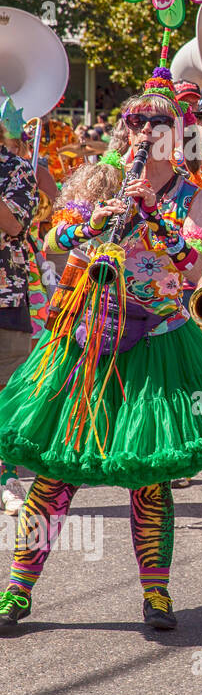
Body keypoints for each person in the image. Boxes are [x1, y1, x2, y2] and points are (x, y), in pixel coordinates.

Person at [0, 70, 202, 633]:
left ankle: (157, 595)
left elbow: (197, 271)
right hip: (86, 340)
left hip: (157, 345)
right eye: (135, 122)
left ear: (179, 133)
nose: (145, 132)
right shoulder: (99, 178)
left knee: (149, 471)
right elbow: (53, 242)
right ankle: (18, 591)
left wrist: (157, 220)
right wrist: (92, 223)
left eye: (159, 124)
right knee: (55, 471)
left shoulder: (196, 196)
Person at [0, 97, 39, 515]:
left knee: (6, 392)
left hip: (5, 296)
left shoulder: (16, 171)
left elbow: (13, 223)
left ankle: (7, 476)